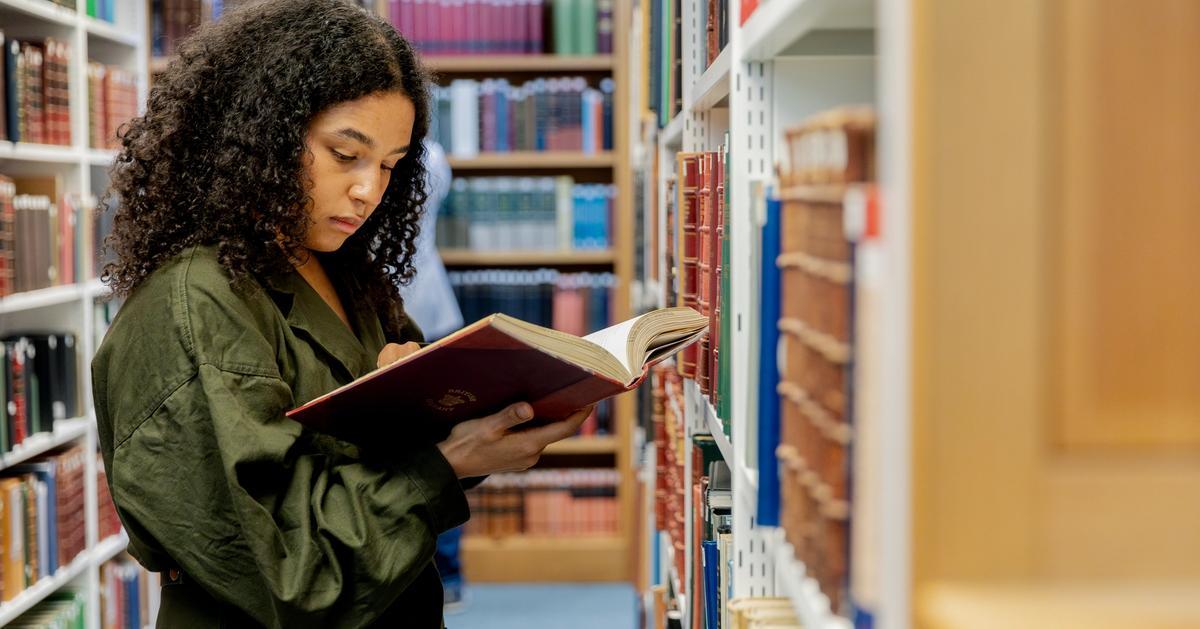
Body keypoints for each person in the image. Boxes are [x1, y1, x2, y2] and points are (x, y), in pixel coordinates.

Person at [91, 1, 590, 626]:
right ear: (262, 134)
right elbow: (290, 573)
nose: (369, 191)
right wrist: (445, 463)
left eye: (390, 165)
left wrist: (437, 417)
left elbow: (369, 472)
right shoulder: (195, 303)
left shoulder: (345, 269)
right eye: (344, 154)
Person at [397, 139, 468, 608]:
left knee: (436, 444)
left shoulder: (423, 158)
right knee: (442, 440)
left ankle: (432, 567)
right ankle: (448, 571)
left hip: (412, 314)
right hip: (433, 309)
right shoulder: (434, 157)